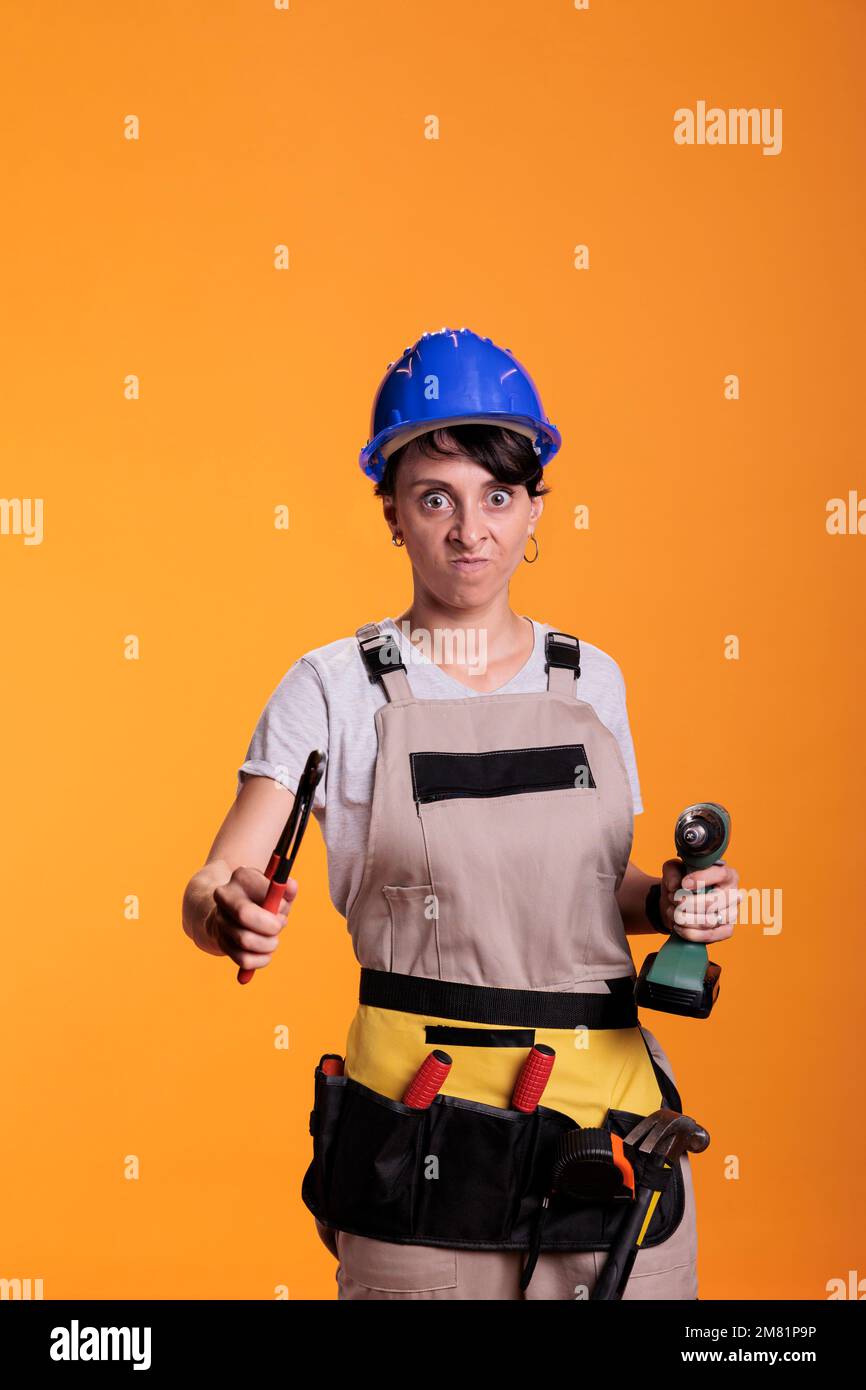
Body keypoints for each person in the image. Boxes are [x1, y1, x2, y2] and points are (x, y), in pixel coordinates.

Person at [182, 327, 740, 1301]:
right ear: (392, 512)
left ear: (532, 508)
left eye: (496, 495)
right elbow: (213, 882)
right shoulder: (330, 688)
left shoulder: (588, 679)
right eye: (434, 496)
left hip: (607, 1137)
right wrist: (227, 907)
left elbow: (597, 886)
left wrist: (675, 902)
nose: (468, 529)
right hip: (419, 1140)